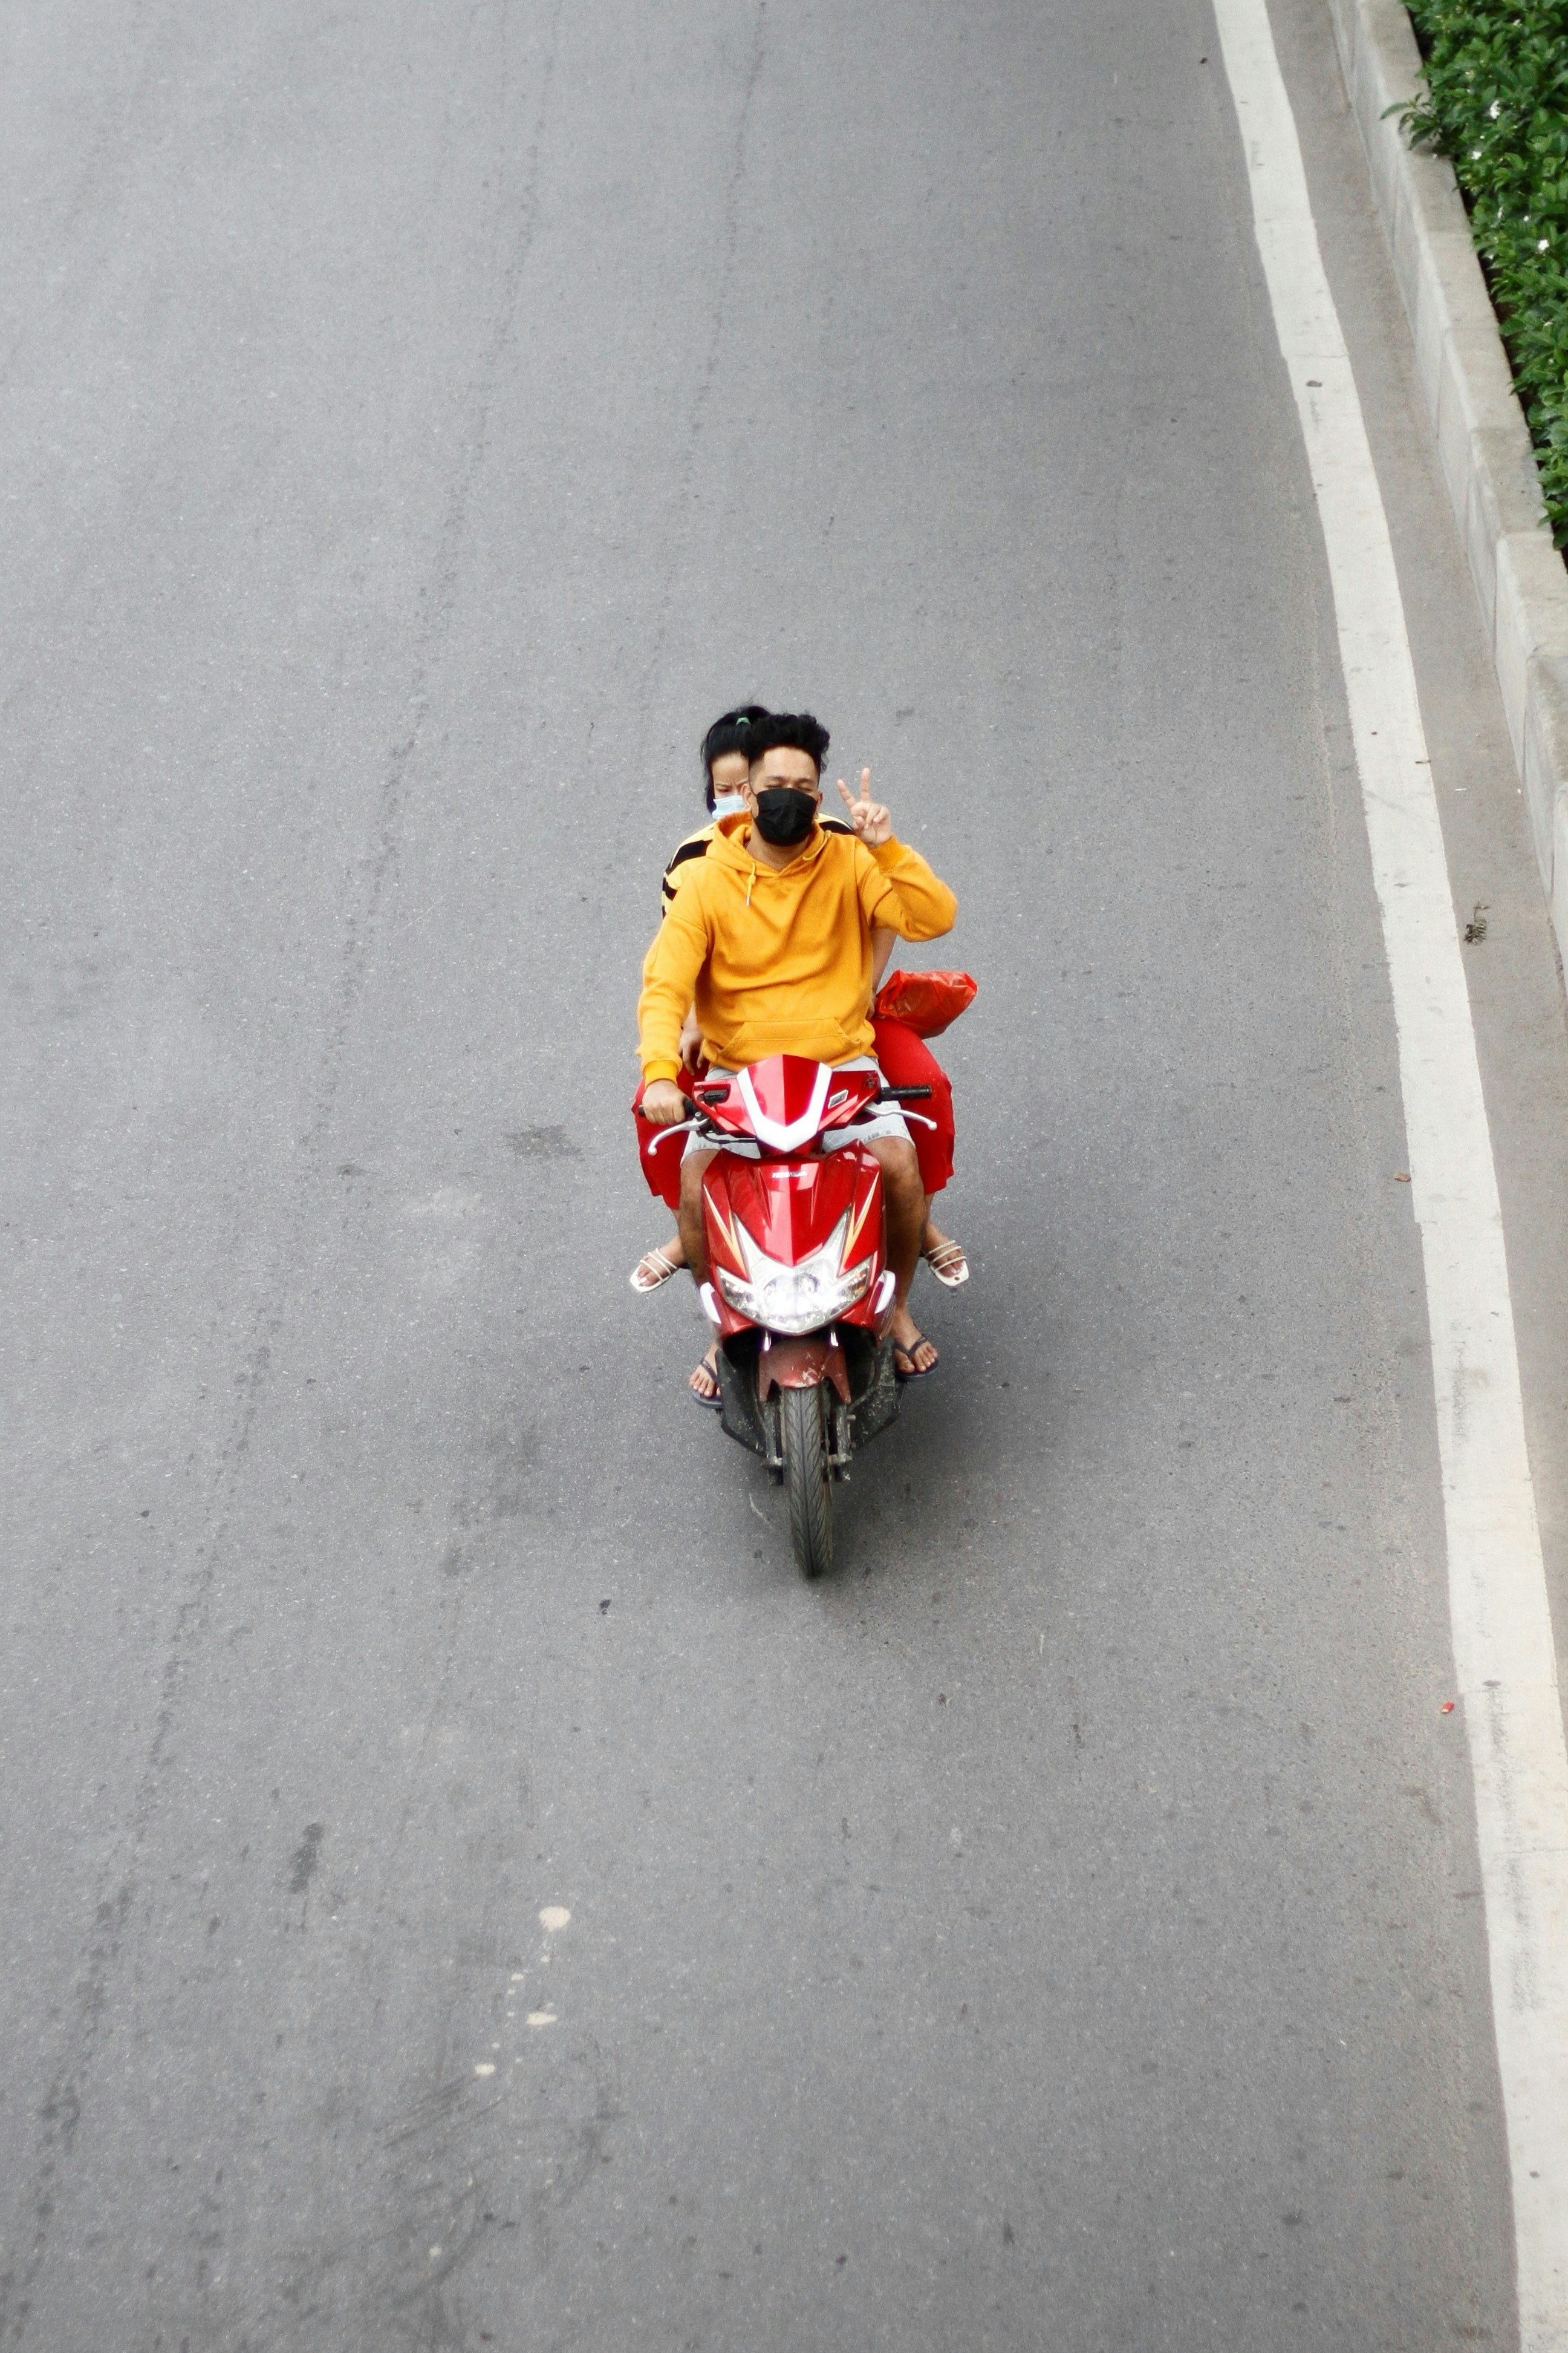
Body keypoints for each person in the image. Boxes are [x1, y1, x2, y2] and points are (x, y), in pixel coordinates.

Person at [639, 711, 958, 1395]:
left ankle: (895, 1305)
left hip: (840, 1065)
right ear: (747, 794)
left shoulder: (849, 860)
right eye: (775, 783)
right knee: (699, 1187)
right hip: (738, 1073)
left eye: (804, 786)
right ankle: (725, 1324)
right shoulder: (705, 879)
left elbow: (933, 918)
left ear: (819, 796)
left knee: (899, 1166)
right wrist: (661, 1072)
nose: (790, 796)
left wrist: (888, 848)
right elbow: (665, 984)